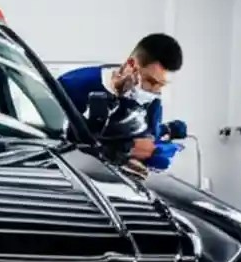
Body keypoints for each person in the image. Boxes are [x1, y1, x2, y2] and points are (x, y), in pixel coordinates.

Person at [58, 34, 186, 177]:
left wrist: (151, 151)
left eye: (161, 85)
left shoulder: (152, 103)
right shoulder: (72, 86)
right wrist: (126, 150)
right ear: (131, 65)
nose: (154, 91)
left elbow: (148, 140)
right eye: (150, 81)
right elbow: (55, 144)